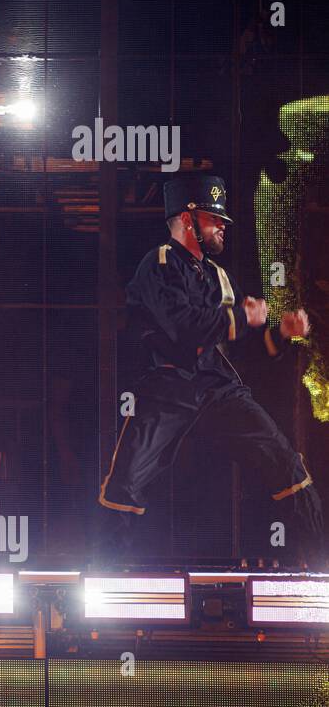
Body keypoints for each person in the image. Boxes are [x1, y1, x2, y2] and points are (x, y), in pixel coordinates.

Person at [96, 174, 323, 562]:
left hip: (218, 388)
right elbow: (183, 327)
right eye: (213, 219)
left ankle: (318, 559)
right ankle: (112, 568)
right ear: (188, 221)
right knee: (128, 477)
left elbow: (246, 347)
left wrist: (280, 333)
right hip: (168, 384)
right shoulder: (159, 264)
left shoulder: (220, 277)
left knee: (284, 460)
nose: (221, 227)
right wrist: (241, 316)